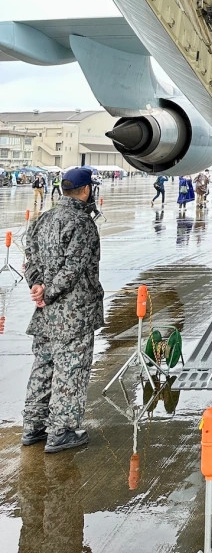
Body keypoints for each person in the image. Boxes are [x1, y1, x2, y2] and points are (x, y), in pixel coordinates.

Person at [21, 166, 104, 453]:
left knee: (43, 366)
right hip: (73, 312)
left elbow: (29, 258)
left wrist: (37, 286)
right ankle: (62, 431)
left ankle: (33, 426)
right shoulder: (82, 223)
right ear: (86, 190)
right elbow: (73, 269)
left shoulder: (44, 219)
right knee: (71, 369)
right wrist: (48, 293)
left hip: (45, 313)